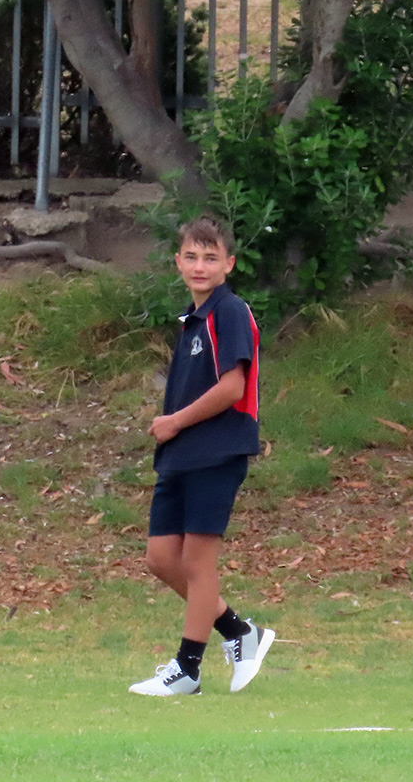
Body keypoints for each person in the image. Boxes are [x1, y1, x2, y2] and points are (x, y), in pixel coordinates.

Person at [129, 217, 275, 697]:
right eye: (191, 256)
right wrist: (173, 433)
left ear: (228, 264)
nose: (200, 266)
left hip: (218, 449)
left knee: (197, 559)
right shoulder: (193, 319)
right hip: (181, 454)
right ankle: (237, 632)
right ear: (177, 261)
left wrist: (174, 421)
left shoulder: (229, 311)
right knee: (160, 557)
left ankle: (188, 668)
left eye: (211, 258)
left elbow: (233, 387)